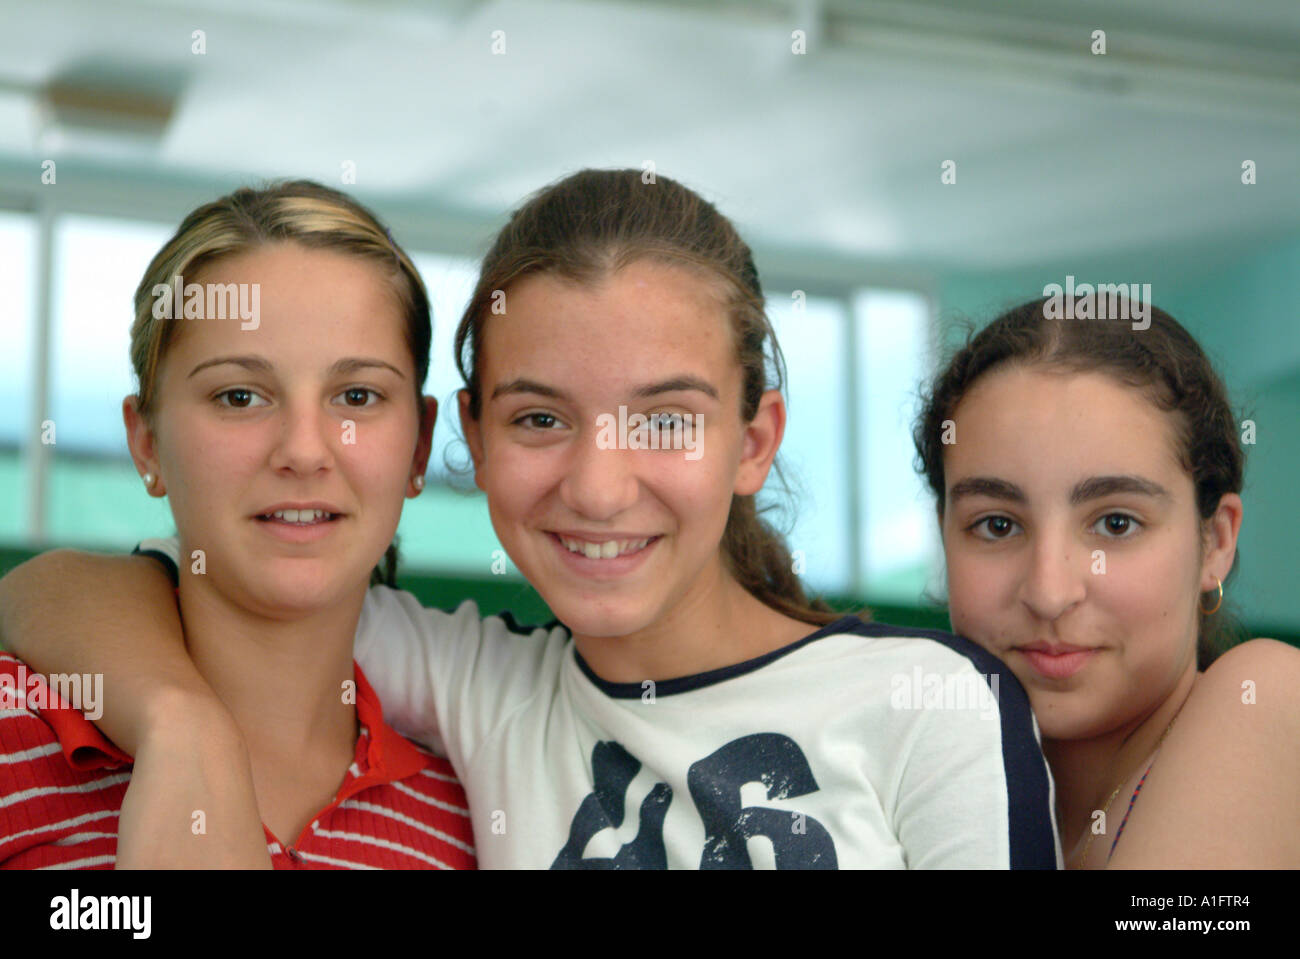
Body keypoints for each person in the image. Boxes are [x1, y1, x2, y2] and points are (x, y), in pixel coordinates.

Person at [0, 169, 1059, 868]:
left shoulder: (928, 703)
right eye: (541, 415)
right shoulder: (481, 688)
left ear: (754, 437)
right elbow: (114, 581)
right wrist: (182, 732)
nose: (599, 488)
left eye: (665, 417)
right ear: (461, 436)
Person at [0, 180, 475, 869]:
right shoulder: (13, 742)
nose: (304, 450)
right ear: (147, 443)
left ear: (420, 445)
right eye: (240, 395)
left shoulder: (472, 827)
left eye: (357, 395)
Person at [913, 296, 1300, 868]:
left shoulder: (1270, 698)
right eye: (997, 525)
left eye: (1115, 523)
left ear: (1216, 542)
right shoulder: (926, 783)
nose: (1048, 592)